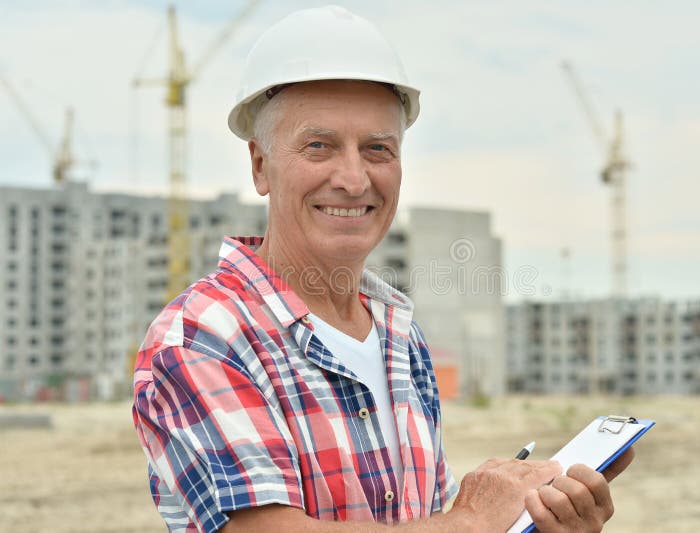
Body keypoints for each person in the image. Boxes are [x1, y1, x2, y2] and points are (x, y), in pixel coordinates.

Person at [132, 6, 633, 533]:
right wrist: (470, 522)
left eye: (378, 149)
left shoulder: (400, 337)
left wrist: (533, 524)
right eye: (319, 146)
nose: (353, 178)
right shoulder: (203, 336)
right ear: (260, 165)